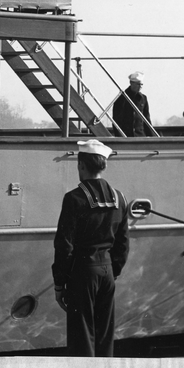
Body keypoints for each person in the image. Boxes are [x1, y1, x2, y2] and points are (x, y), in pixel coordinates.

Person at [53, 140, 130, 357]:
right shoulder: (120, 198)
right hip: (107, 272)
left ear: (81, 165)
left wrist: (59, 283)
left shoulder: (74, 198)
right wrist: (113, 271)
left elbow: (64, 245)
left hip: (83, 273)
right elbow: (123, 244)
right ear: (103, 165)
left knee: (82, 338)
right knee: (105, 336)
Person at [112, 72, 151, 137]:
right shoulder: (122, 98)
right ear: (131, 83)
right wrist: (119, 137)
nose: (140, 86)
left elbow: (147, 119)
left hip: (140, 135)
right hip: (126, 136)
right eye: (138, 84)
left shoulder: (143, 98)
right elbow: (117, 120)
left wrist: (152, 136)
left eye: (141, 84)